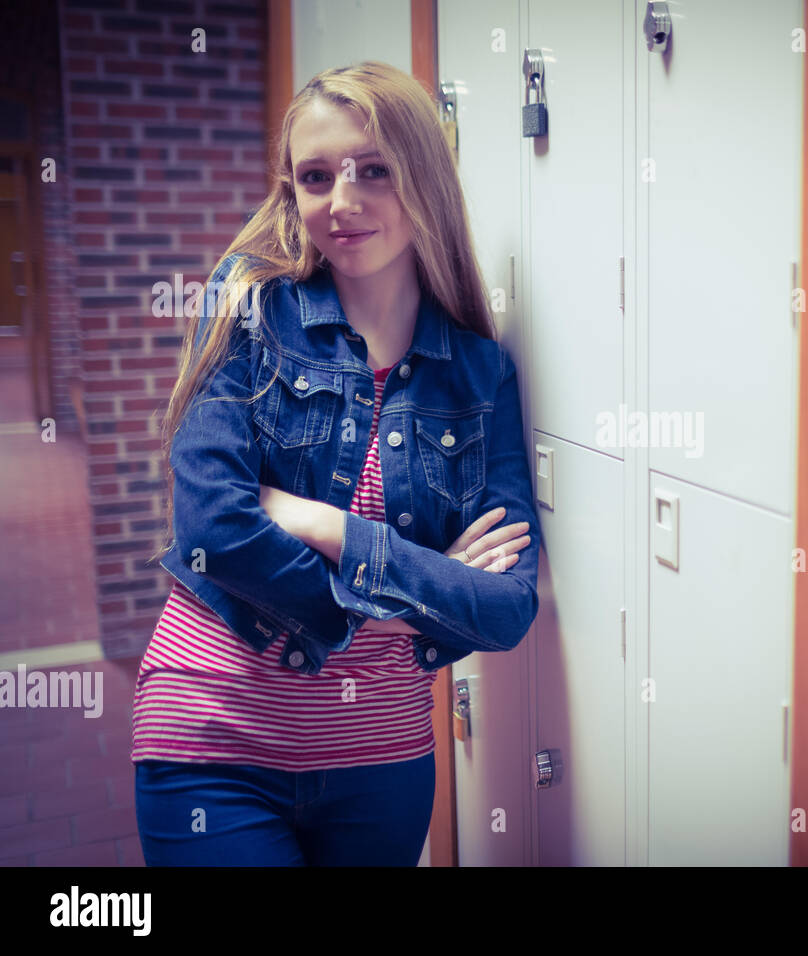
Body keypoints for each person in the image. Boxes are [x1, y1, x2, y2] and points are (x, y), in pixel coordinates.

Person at [131, 61, 541, 866]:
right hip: (214, 739)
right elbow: (214, 525)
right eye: (315, 177)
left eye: (372, 171)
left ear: (423, 175)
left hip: (380, 765)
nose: (341, 204)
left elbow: (505, 607)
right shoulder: (249, 310)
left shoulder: (479, 374)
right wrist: (407, 586)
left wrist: (323, 523)